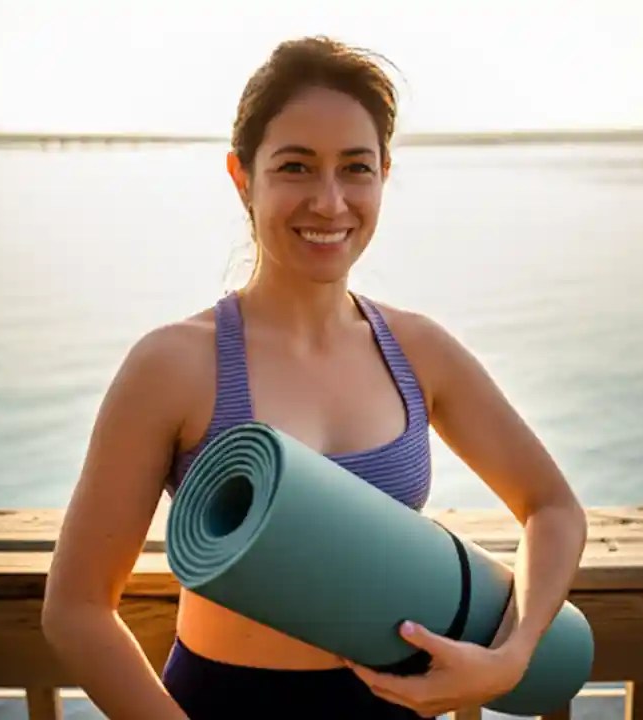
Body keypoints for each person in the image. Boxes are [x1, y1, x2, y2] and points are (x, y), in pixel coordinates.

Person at [41, 36, 588, 720]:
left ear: (384, 174)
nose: (329, 202)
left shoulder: (419, 350)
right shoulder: (174, 364)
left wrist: (512, 656)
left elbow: (552, 506)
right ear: (243, 177)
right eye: (296, 167)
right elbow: (77, 609)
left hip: (395, 704)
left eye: (355, 168)